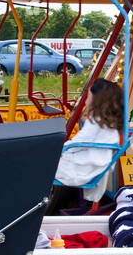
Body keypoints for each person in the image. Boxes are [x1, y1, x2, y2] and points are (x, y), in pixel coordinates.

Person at [50, 79, 123, 212]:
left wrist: (56, 150)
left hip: (81, 170)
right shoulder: (111, 126)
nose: (85, 101)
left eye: (88, 97)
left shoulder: (95, 121)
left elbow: (77, 143)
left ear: (97, 100)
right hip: (93, 168)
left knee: (41, 163)